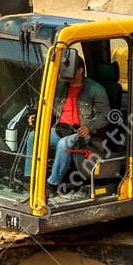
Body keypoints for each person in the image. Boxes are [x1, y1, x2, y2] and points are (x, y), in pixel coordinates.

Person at [43, 49, 110, 195]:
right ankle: (30, 177)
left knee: (63, 144)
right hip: (60, 129)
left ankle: (52, 184)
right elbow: (50, 110)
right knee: (33, 137)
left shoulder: (95, 89)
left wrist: (88, 127)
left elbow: (104, 116)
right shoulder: (61, 88)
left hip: (81, 134)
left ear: (80, 70)